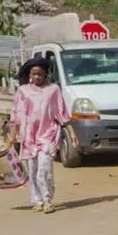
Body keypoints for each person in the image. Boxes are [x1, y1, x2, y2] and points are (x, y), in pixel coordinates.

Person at [11, 57, 70, 214]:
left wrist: (72, 132)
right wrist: (12, 135)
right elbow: (16, 114)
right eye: (33, 74)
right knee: (33, 170)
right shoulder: (23, 91)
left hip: (48, 134)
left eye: (39, 74)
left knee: (45, 169)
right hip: (29, 137)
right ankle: (36, 200)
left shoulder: (53, 90)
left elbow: (61, 112)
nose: (36, 77)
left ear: (45, 74)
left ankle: (47, 199)